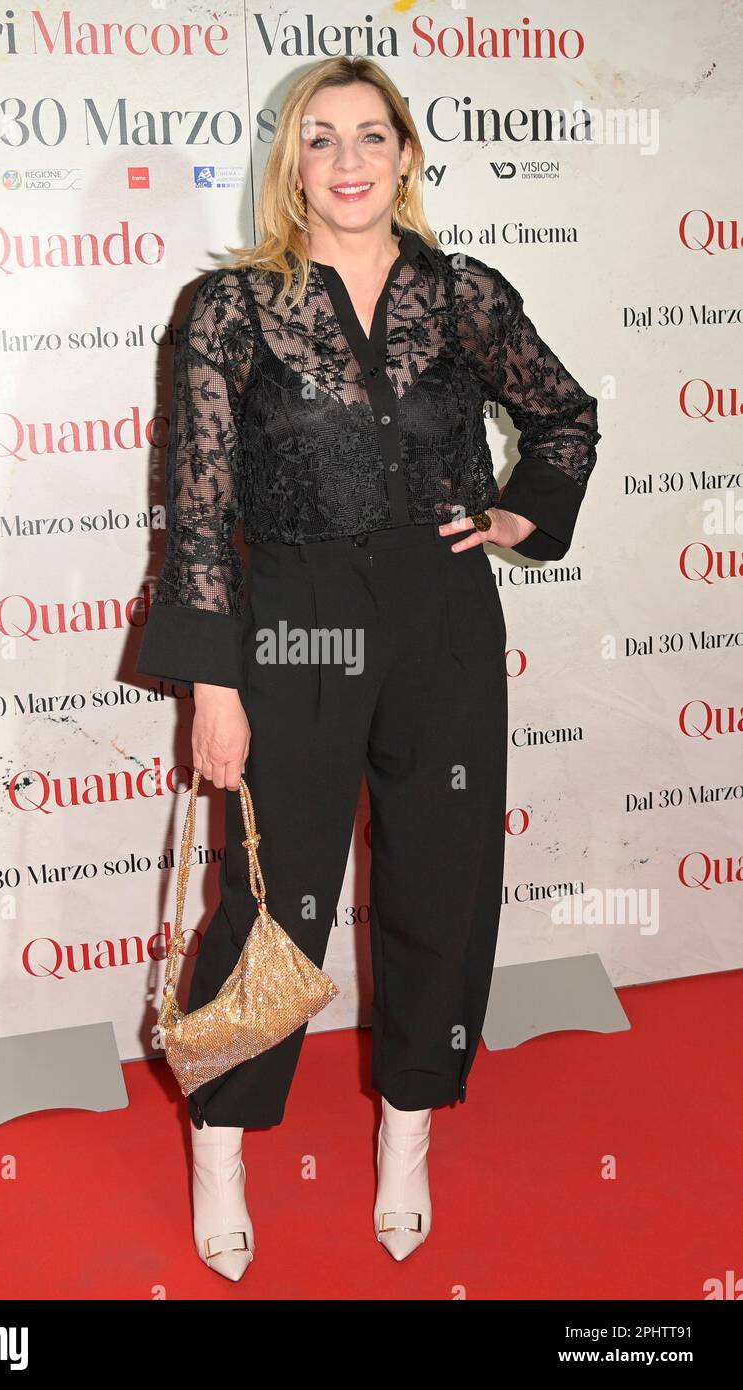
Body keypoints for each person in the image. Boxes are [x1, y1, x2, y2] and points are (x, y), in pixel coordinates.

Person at [137, 55, 601, 1281]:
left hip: (440, 618)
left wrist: (513, 514)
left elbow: (564, 415)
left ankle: (408, 1131)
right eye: (321, 140)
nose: (348, 162)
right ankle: (223, 1138)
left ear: (404, 153)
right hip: (294, 621)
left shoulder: (463, 294)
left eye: (370, 136)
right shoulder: (229, 310)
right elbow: (198, 509)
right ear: (291, 162)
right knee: (272, 899)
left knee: (439, 879)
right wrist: (213, 684)